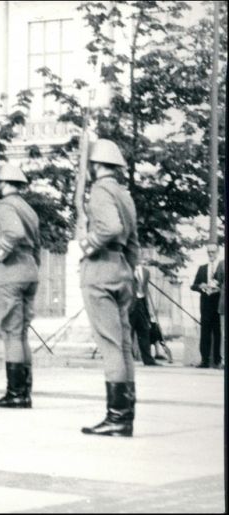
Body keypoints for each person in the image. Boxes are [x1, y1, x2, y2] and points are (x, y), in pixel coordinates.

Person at [77, 139, 139, 437]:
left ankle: (116, 416)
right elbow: (133, 240)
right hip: (123, 269)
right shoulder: (124, 194)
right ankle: (126, 413)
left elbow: (110, 228)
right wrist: (130, 269)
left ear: (96, 165)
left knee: (110, 344)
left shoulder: (100, 190)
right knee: (124, 345)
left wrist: (87, 244)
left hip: (101, 268)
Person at [0, 163, 40, 409]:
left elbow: (13, 234)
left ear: (2, 184)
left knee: (11, 333)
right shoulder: (27, 208)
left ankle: (15, 393)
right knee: (22, 334)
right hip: (29, 270)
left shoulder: (5, 205)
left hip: (10, 273)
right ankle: (24, 392)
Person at [190, 244, 223, 368]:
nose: (211, 254)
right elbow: (193, 285)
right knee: (205, 332)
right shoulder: (202, 268)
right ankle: (204, 360)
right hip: (205, 305)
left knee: (218, 332)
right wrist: (201, 286)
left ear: (218, 252)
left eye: (213, 252)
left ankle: (217, 360)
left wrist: (218, 288)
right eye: (209, 252)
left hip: (218, 303)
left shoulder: (221, 268)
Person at [129, 257, 161, 366]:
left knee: (144, 332)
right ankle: (126, 360)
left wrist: (148, 309)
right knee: (128, 332)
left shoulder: (146, 272)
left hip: (142, 305)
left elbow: (145, 290)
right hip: (130, 306)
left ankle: (148, 360)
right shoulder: (128, 269)